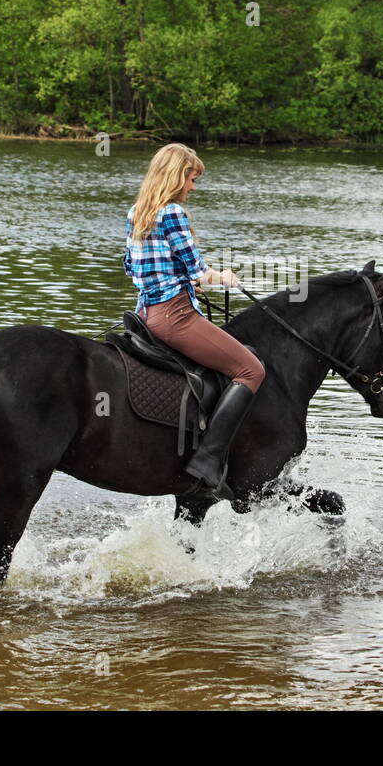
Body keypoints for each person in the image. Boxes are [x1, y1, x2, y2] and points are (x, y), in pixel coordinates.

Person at [122, 143, 265, 501]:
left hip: (146, 313)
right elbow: (197, 267)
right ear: (175, 176)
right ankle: (208, 461)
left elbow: (130, 266)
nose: (193, 186)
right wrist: (224, 278)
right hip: (175, 316)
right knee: (251, 370)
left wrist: (186, 283)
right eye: (191, 177)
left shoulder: (137, 211)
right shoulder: (173, 213)